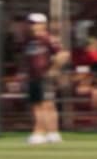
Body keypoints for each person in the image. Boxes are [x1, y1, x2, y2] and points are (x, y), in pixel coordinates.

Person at [24, 12, 67, 145]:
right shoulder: (28, 41)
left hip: (44, 76)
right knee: (42, 104)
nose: (33, 26)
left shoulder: (47, 39)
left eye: (36, 23)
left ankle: (40, 132)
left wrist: (53, 69)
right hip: (33, 76)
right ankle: (51, 133)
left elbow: (63, 54)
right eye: (31, 23)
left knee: (43, 105)